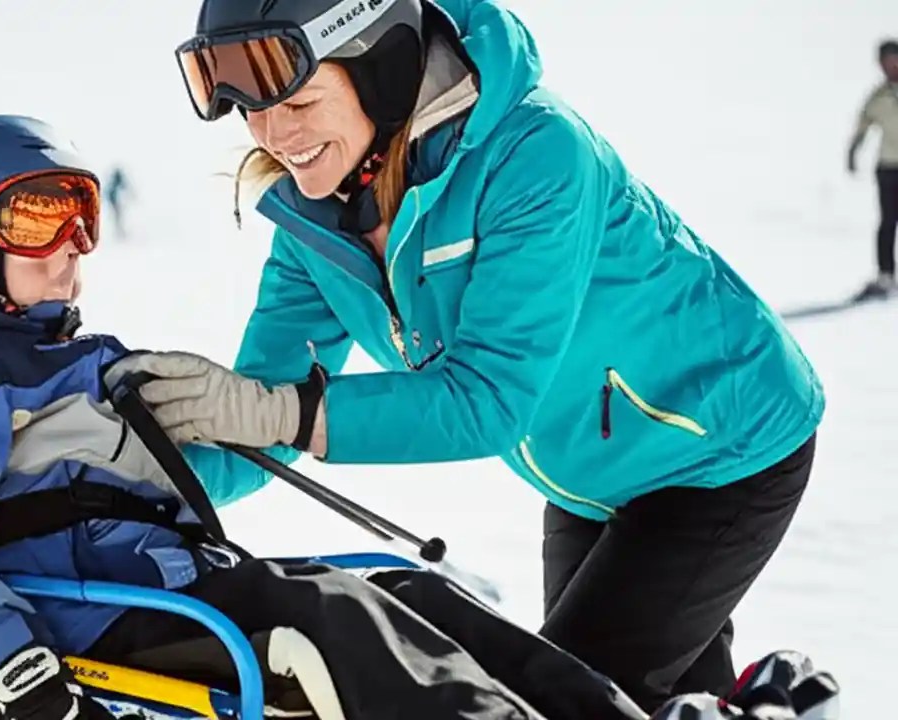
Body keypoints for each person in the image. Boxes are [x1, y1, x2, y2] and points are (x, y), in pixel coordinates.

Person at [0, 115, 838, 720]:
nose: (70, 247)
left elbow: (216, 462)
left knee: (412, 596)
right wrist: (8, 655)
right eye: (32, 219)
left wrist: (197, 424)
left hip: (177, 586)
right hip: (113, 610)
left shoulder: (35, 359)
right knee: (344, 622)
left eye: (81, 216)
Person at [105, 0, 827, 714]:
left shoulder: (537, 155)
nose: (272, 135)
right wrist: (122, 476)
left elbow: (486, 401)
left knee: (561, 698)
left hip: (721, 451)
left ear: (377, 67)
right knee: (627, 698)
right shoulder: (313, 219)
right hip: (588, 473)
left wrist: (279, 413)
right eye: (250, 112)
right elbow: (263, 416)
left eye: (298, 102)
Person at [848, 39, 898, 301]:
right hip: (888, 167)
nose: (890, 65)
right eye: (885, 61)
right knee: (888, 222)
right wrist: (853, 151)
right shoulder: (879, 97)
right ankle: (886, 275)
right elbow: (863, 125)